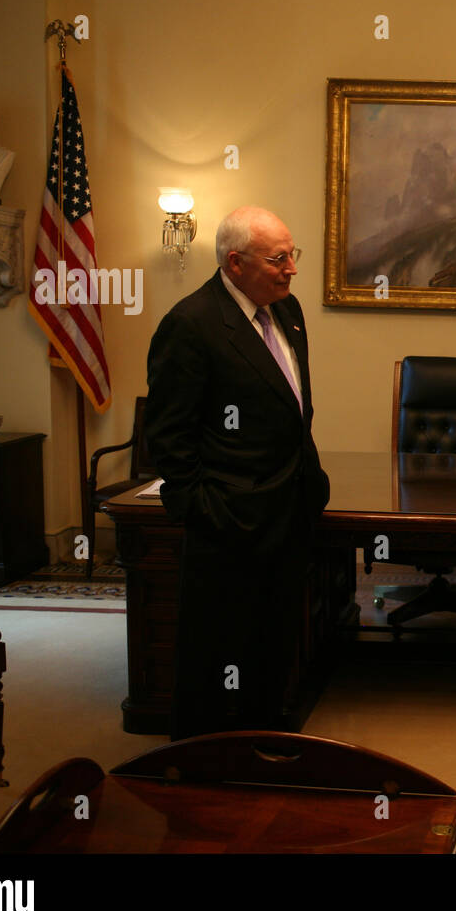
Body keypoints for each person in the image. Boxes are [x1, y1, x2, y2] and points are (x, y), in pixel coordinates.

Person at [144, 206, 330, 740]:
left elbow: (293, 408)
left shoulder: (288, 311)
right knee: (213, 650)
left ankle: (265, 740)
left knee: (273, 643)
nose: (292, 268)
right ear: (234, 262)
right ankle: (198, 761)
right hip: (227, 520)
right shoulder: (191, 324)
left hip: (288, 508)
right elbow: (170, 436)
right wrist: (204, 506)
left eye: (293, 255)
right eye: (278, 258)